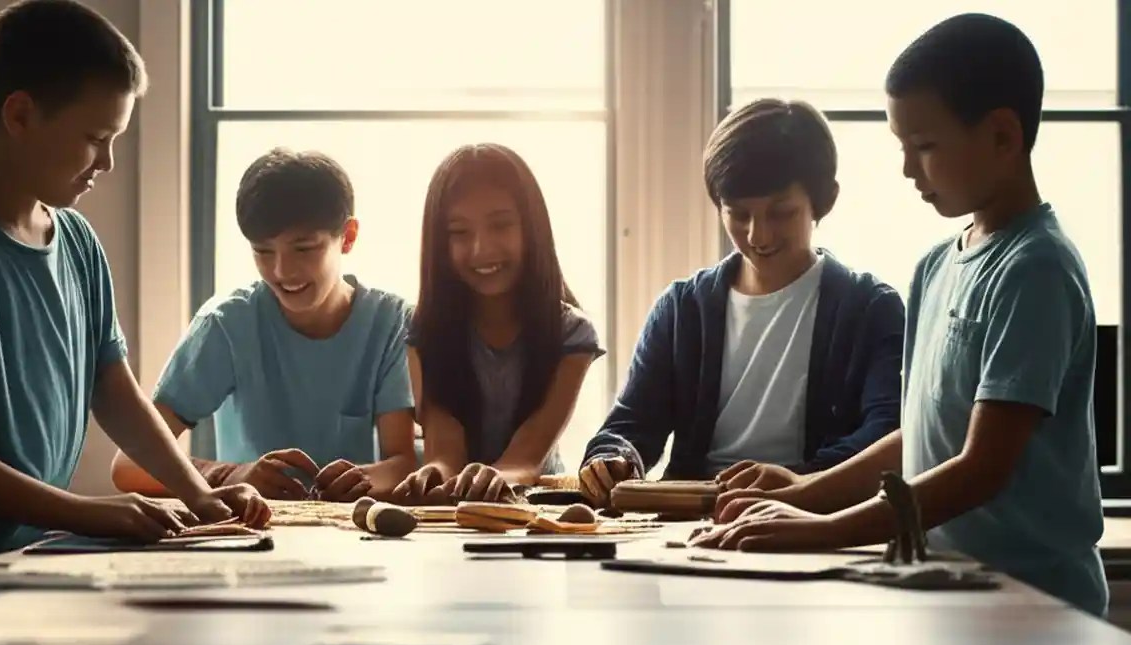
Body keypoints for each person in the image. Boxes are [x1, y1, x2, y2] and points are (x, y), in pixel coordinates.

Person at [0, 0, 269, 605]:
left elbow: (113, 389)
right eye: (95, 139)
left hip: (25, 565)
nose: (107, 162)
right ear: (19, 113)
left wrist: (195, 494)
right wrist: (81, 512)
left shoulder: (76, 241)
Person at [700, 14, 1109, 618]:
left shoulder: (1036, 269)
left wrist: (822, 529)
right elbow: (920, 438)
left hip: (1036, 603)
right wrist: (808, 494)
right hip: (947, 591)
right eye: (902, 147)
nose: (908, 169)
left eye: (924, 147)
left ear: (1002, 135)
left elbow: (979, 470)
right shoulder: (934, 266)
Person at [578, 98, 904, 507]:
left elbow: (887, 432)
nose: (758, 236)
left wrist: (795, 482)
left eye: (780, 213)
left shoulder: (871, 308)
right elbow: (631, 423)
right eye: (738, 214)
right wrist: (613, 460)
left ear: (824, 201)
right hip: (690, 519)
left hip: (812, 515)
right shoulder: (683, 309)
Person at [112, 148, 416, 502]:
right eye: (263, 252)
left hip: (351, 530)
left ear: (347, 237)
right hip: (250, 535)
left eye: (304, 249)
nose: (282, 272)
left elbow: (402, 463)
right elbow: (128, 465)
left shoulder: (391, 323)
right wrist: (231, 474)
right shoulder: (226, 326)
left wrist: (360, 479)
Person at [393, 144, 604, 504]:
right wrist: (434, 473)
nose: (481, 249)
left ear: (532, 227)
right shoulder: (423, 331)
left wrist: (493, 477)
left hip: (533, 510)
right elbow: (444, 450)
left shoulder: (573, 335)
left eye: (501, 225)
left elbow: (527, 458)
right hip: (452, 512)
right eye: (459, 232)